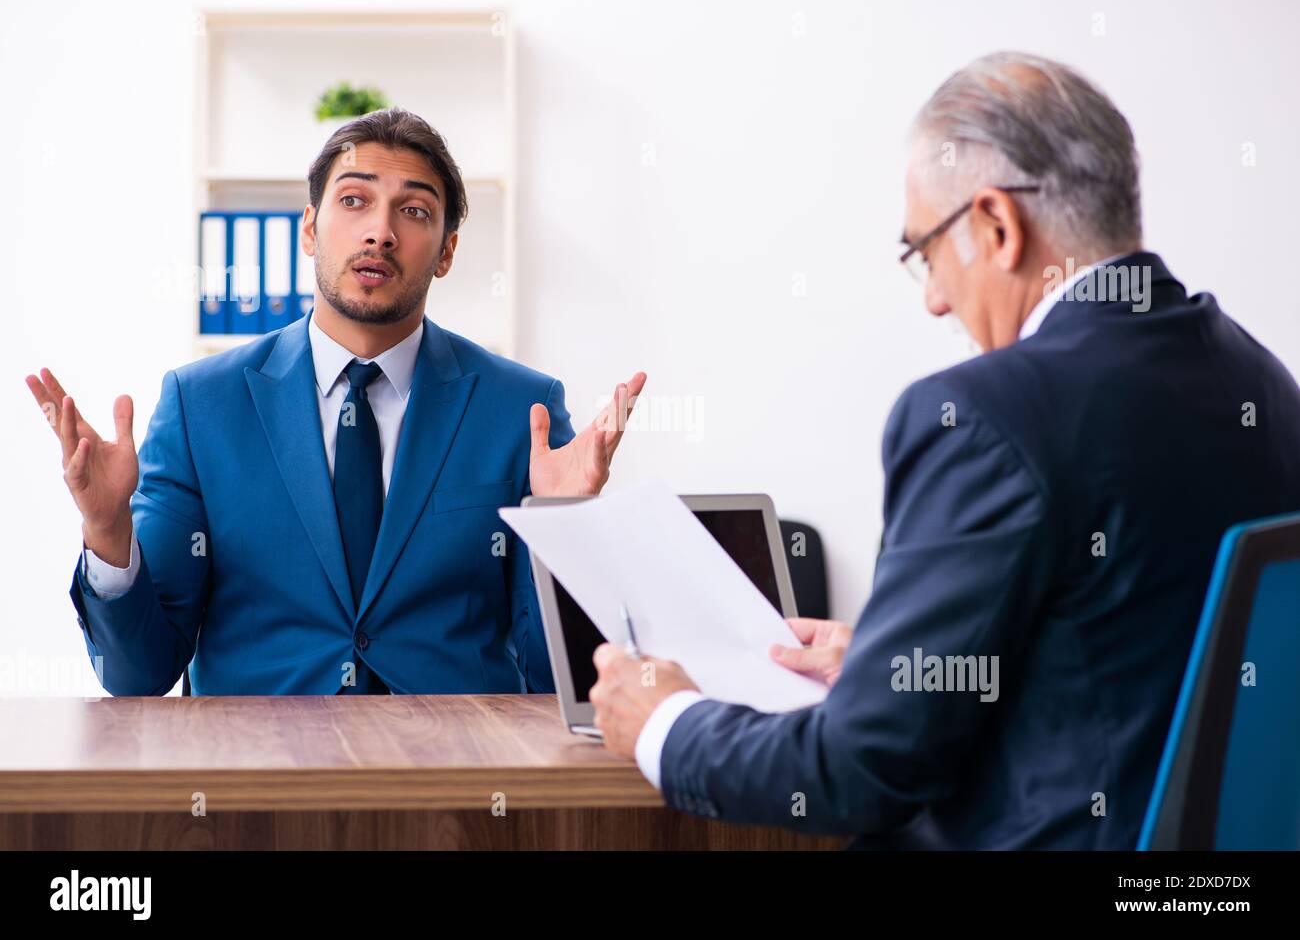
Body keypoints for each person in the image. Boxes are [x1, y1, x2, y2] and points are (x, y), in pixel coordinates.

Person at [588, 52, 1300, 848]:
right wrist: (896, 668)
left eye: (925, 251)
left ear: (998, 224)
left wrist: (667, 723)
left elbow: (859, 774)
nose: (932, 299)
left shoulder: (983, 415)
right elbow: (1142, 653)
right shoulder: (1265, 385)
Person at [27, 108, 645, 697]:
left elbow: (555, 681)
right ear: (309, 228)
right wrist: (107, 531)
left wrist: (566, 531)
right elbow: (138, 674)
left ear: (447, 252)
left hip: (459, 779)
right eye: (354, 201)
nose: (381, 230)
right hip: (259, 783)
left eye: (414, 210)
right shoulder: (201, 406)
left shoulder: (521, 409)